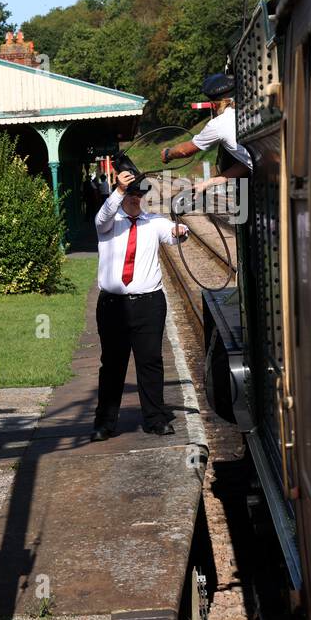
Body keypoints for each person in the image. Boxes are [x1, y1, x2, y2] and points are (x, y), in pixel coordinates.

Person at [92, 158, 189, 442]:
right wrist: (119, 191)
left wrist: (181, 231)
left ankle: (155, 419)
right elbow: (102, 216)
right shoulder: (109, 223)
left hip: (148, 303)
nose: (135, 199)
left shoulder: (153, 222)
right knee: (112, 364)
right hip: (114, 305)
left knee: (150, 361)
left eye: (138, 194)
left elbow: (172, 235)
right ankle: (104, 423)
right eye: (130, 194)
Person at [160, 73, 252, 194]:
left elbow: (185, 150)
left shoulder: (218, 124)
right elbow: (247, 162)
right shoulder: (253, 110)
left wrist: (168, 153)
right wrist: (208, 183)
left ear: (214, 105)